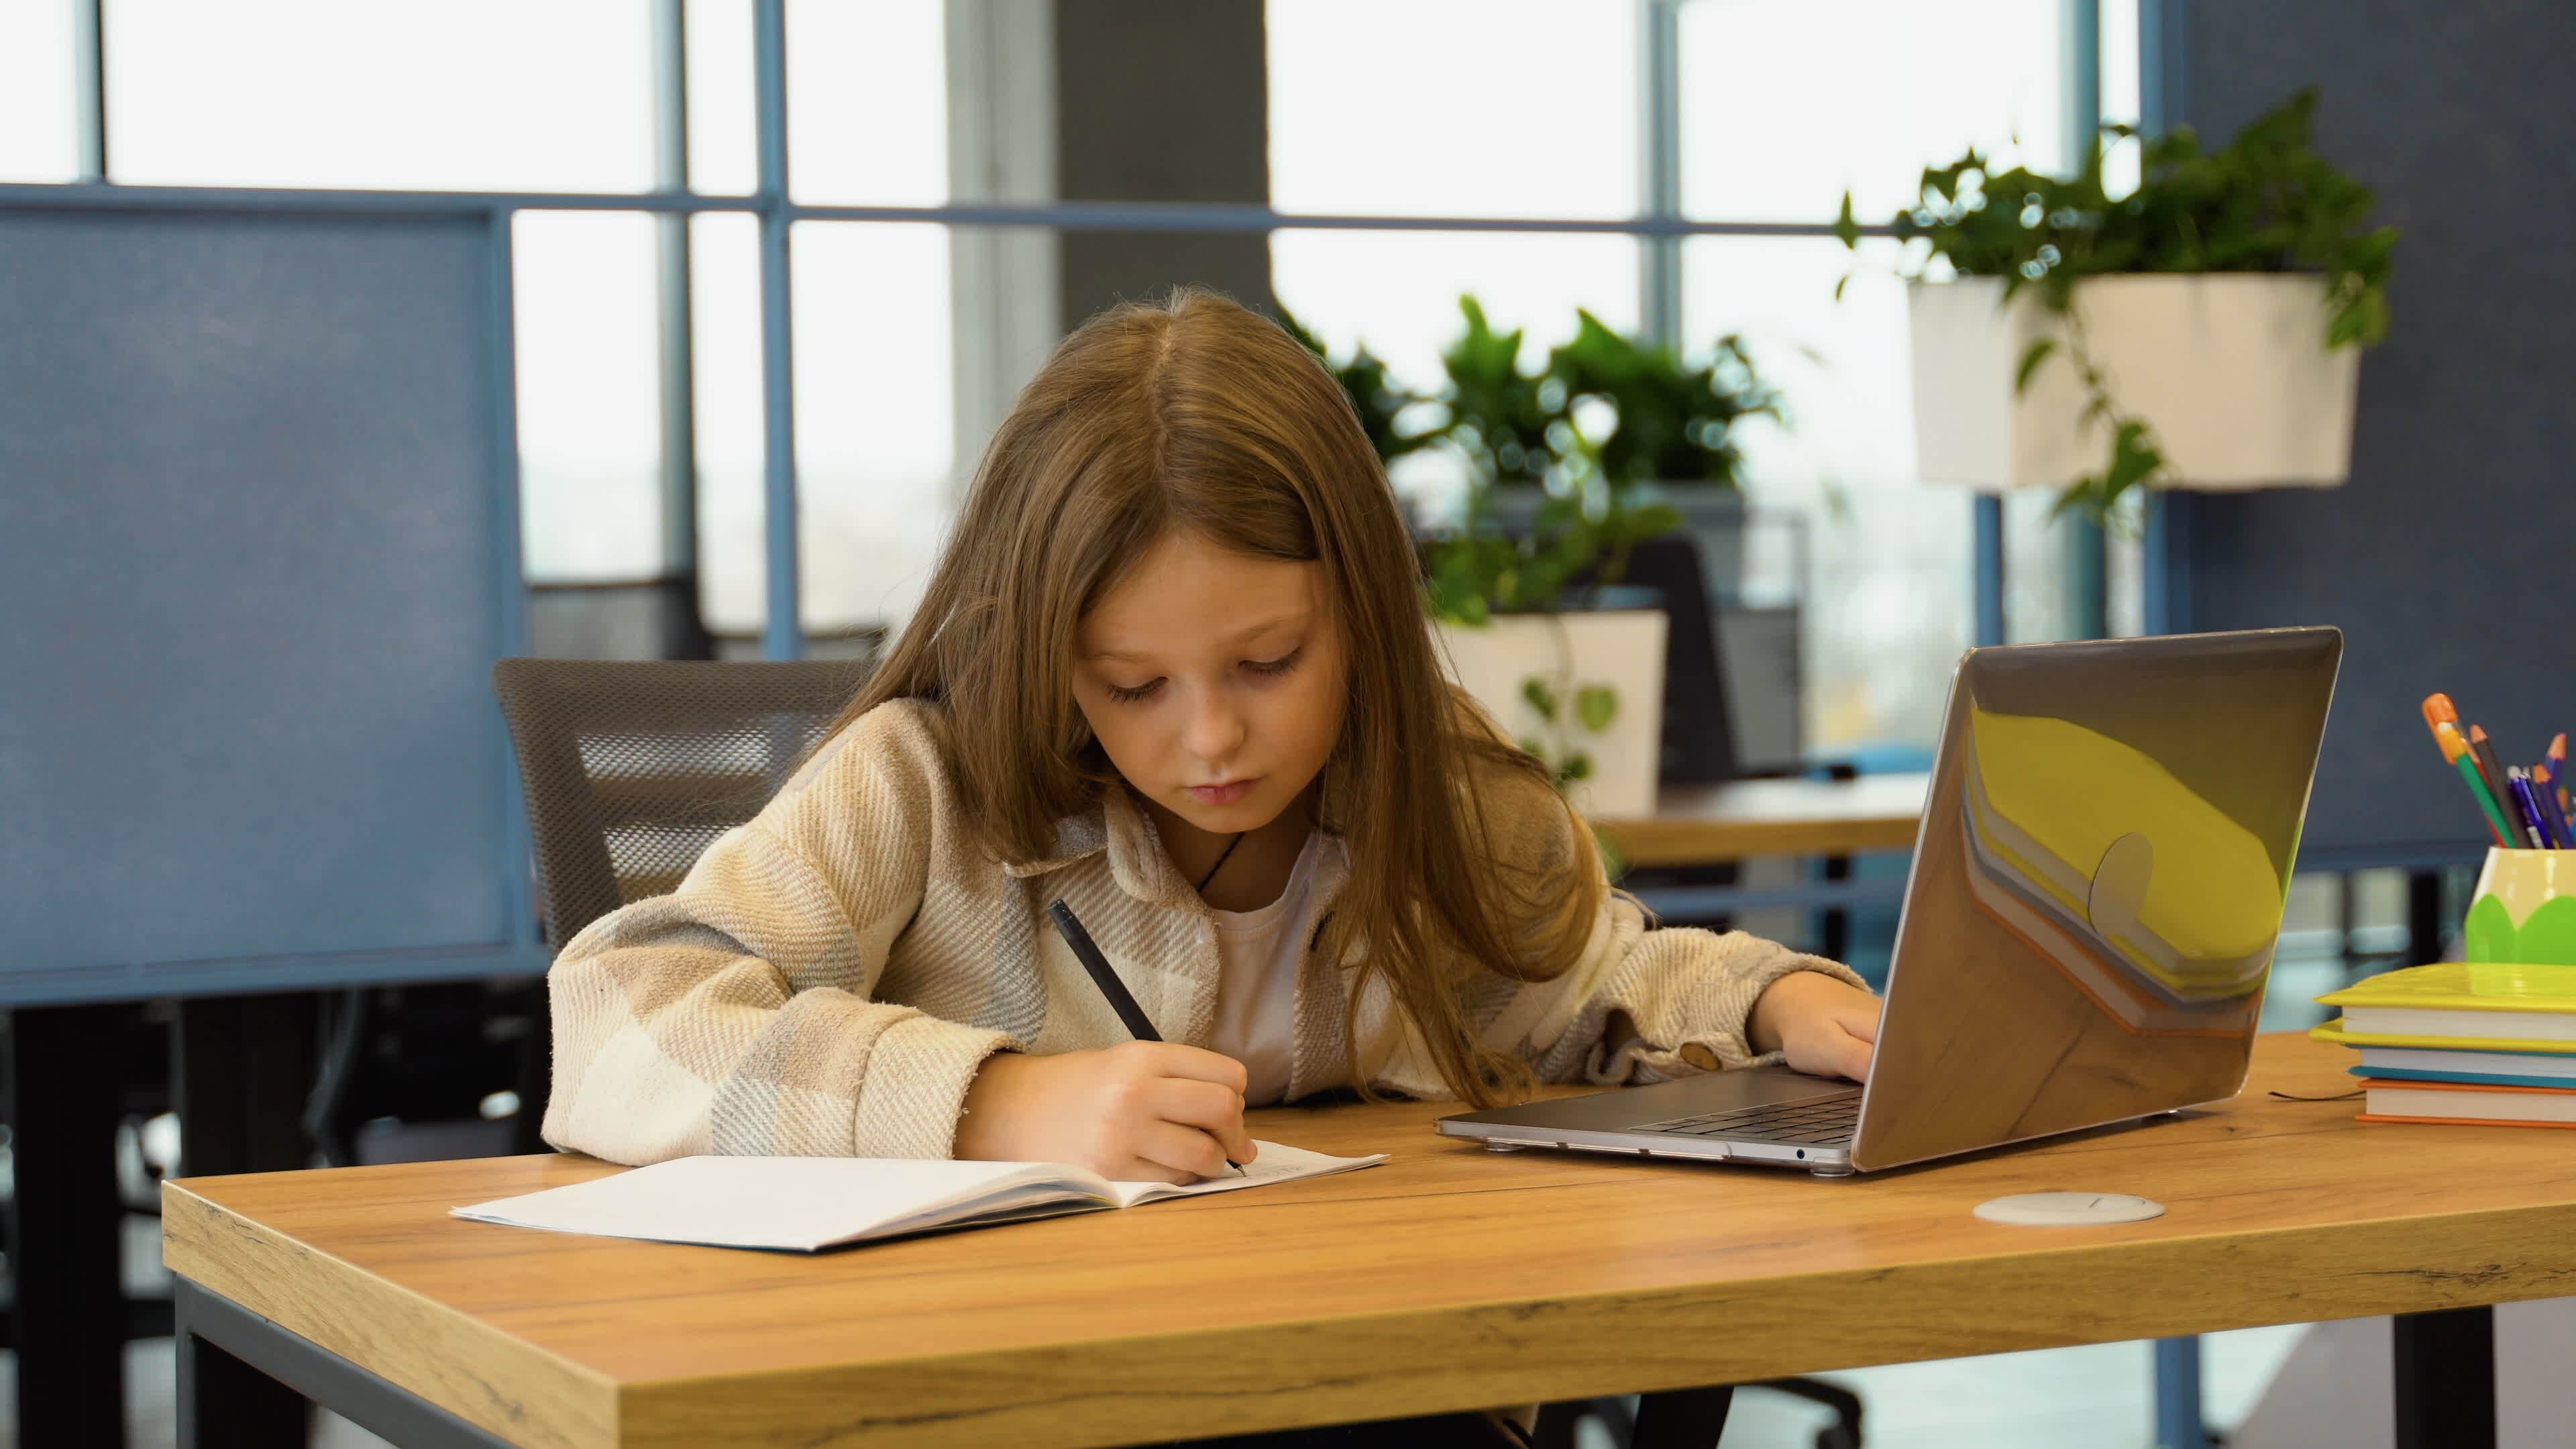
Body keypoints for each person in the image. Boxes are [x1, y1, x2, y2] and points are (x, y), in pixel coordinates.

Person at [541, 287, 1880, 1444]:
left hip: (1369, 1384)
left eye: (1269, 662)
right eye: (1134, 684)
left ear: (1362, 611)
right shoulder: (920, 785)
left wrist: (1766, 1003)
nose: (1216, 736)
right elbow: (618, 1020)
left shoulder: (1435, 791)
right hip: (1001, 1402)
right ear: (1049, 656)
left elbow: (1587, 989)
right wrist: (991, 1104)